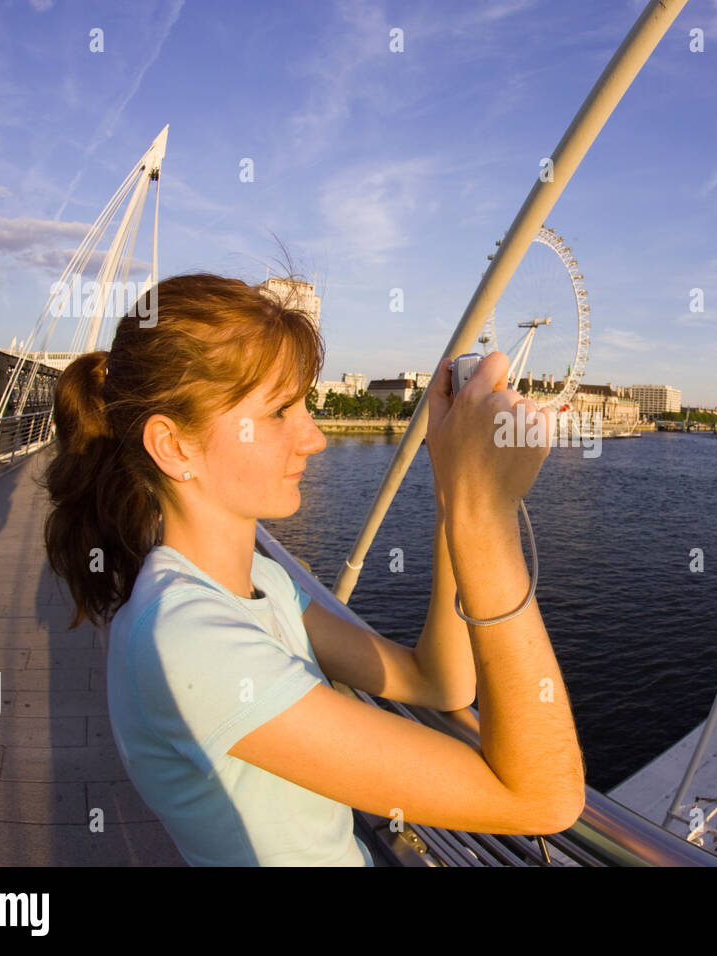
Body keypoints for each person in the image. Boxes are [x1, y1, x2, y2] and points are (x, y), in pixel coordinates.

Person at [43, 273, 585, 866]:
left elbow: (439, 682)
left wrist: (454, 497)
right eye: (279, 412)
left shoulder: (261, 583)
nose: (315, 438)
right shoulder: (184, 640)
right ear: (174, 447)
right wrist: (487, 517)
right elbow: (544, 799)